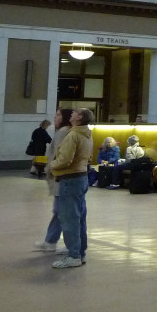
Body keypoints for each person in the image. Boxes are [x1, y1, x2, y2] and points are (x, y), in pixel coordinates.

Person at [49, 107, 94, 269]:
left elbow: (64, 160)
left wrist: (51, 165)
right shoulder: (87, 134)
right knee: (80, 218)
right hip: (82, 177)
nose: (72, 114)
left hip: (70, 179)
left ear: (79, 117)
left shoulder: (73, 135)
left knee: (69, 219)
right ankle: (80, 252)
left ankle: (73, 255)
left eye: (74, 112)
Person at [34, 108, 74, 253]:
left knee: (61, 211)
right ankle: (50, 240)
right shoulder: (63, 131)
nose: (55, 117)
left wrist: (50, 169)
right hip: (59, 175)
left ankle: (69, 244)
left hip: (61, 177)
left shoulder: (64, 132)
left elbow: (59, 154)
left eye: (58, 115)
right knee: (59, 211)